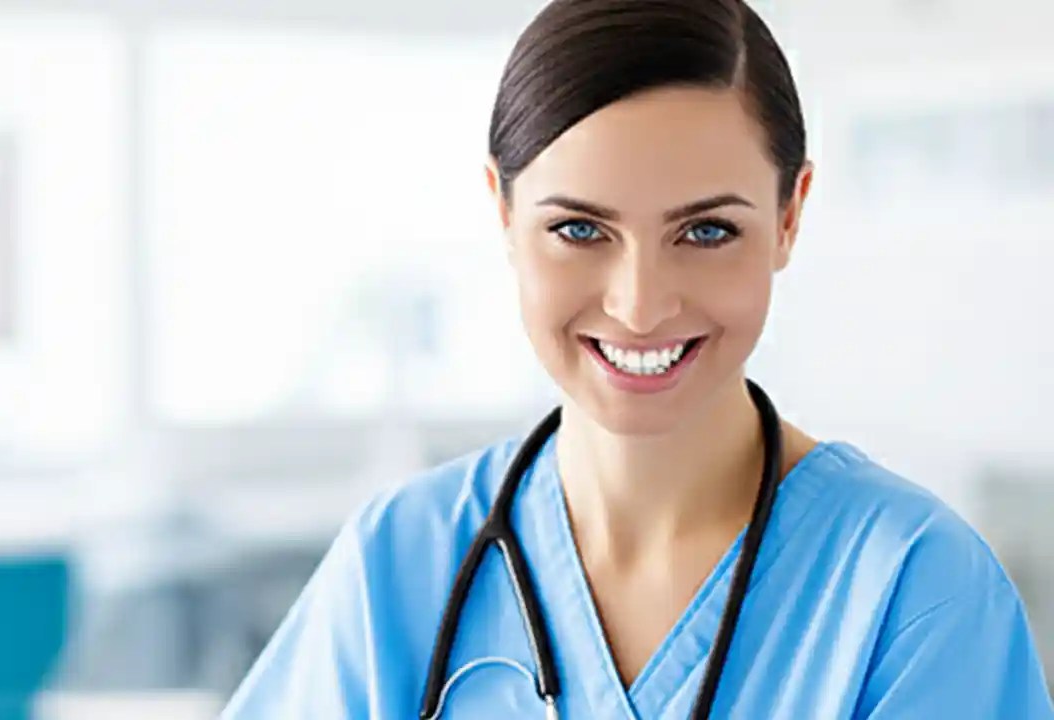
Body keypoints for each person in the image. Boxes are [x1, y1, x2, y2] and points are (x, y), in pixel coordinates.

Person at [220, 0, 1054, 717]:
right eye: (580, 229)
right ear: (503, 214)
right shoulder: (398, 567)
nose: (640, 305)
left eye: (706, 231)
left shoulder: (913, 593)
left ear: (789, 217)